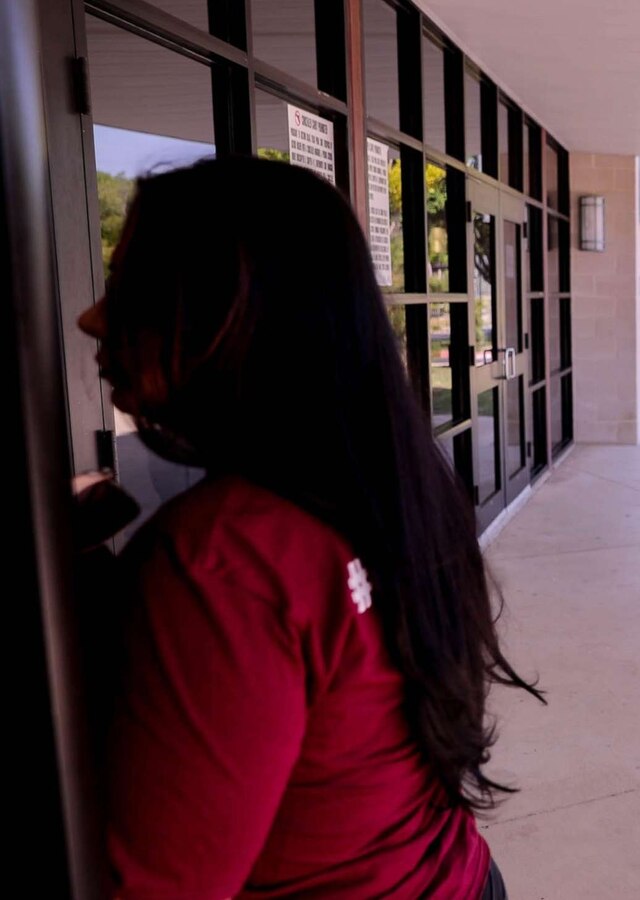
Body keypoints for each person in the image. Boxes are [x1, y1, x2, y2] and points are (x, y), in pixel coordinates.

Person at [76, 157, 535, 898]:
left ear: (233, 313)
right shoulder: (401, 485)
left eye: (132, 286)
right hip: (460, 878)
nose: (92, 318)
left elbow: (160, 888)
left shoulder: (226, 556)